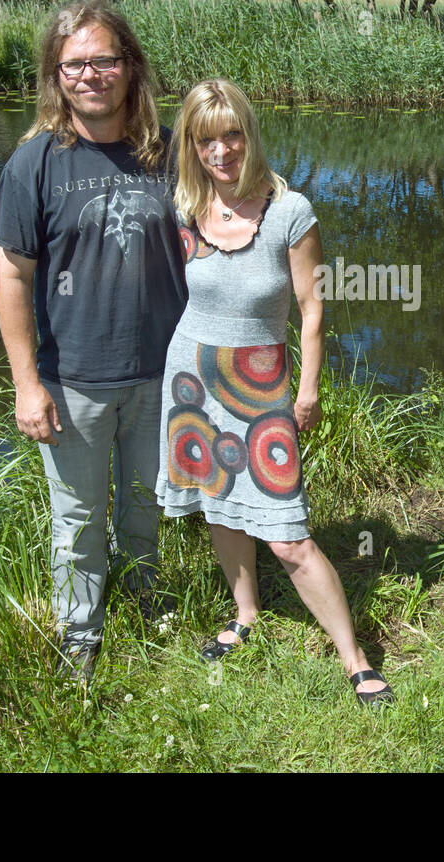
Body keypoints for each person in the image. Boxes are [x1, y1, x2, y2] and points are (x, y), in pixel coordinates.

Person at [155, 78, 393, 706]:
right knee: (217, 502)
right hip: (191, 380)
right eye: (207, 139)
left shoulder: (290, 211)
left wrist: (306, 388)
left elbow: (312, 308)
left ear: (249, 133)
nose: (222, 151)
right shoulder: (187, 208)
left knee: (288, 533)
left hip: (261, 384)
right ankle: (246, 614)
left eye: (232, 134)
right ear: (193, 145)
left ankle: (355, 658)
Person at [0, 0, 186, 683]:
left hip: (163, 373)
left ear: (130, 67)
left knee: (145, 501)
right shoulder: (34, 163)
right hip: (73, 380)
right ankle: (80, 634)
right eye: (75, 64)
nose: (91, 75)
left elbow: (228, 226)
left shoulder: (171, 151)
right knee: (75, 519)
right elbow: (12, 277)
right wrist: (26, 385)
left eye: (104, 60)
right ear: (55, 74)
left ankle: (144, 596)